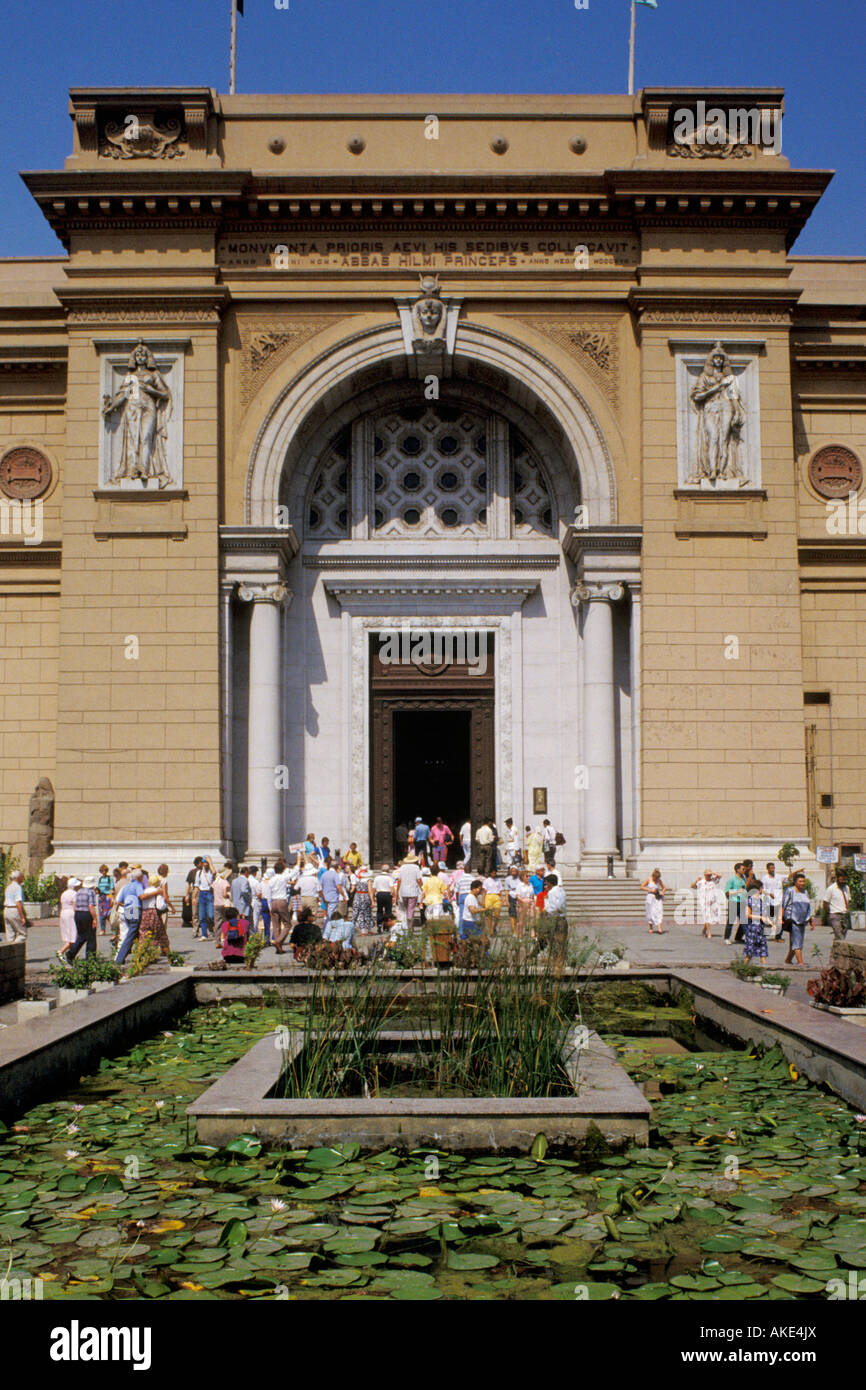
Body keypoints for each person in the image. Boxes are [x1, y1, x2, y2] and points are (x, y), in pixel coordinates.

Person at [782, 871, 816, 967]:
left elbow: (808, 907)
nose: (802, 883)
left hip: (802, 921)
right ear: (795, 882)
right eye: (800, 881)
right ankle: (801, 963)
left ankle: (788, 960)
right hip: (792, 920)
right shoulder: (790, 891)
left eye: (803, 881)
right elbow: (783, 905)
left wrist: (810, 921)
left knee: (796, 942)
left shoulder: (805, 892)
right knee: (797, 943)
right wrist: (781, 918)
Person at [67, 875, 99, 961]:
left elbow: (75, 905)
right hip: (87, 914)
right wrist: (95, 919)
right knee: (91, 937)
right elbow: (91, 906)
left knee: (81, 936)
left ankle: (71, 953)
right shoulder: (91, 892)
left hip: (78, 914)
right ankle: (90, 958)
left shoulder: (79, 891)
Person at [144, 865, 173, 959]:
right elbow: (165, 895)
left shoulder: (153, 881)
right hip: (161, 907)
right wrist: (171, 906)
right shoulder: (164, 881)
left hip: (152, 908)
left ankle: (153, 948)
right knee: (162, 928)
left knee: (152, 929)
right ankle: (164, 949)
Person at [269, 858, 292, 954]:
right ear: (283, 869)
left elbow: (268, 894)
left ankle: (279, 947)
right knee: (287, 924)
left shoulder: (271, 880)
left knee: (276, 925)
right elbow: (293, 873)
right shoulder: (283, 877)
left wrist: (270, 906)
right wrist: (299, 861)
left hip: (273, 901)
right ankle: (278, 941)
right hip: (281, 901)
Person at [743, 880, 769, 965]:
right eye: (761, 888)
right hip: (752, 928)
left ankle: (765, 967)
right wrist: (760, 917)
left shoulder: (761, 901)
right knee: (750, 951)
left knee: (763, 949)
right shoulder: (750, 901)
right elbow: (748, 915)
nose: (762, 890)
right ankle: (744, 966)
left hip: (760, 928)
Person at [692, 870, 724, 940]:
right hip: (704, 902)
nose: (709, 876)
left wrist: (713, 873)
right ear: (704, 875)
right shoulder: (701, 882)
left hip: (713, 902)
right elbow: (692, 886)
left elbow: (720, 876)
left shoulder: (713, 881)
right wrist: (696, 880)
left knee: (714, 916)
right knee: (707, 916)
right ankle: (709, 932)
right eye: (707, 874)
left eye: (710, 875)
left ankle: (704, 929)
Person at [394, 855, 423, 929]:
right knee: (411, 909)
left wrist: (397, 892)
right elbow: (419, 879)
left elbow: (399, 880)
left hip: (403, 891)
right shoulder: (416, 868)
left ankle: (406, 925)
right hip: (413, 891)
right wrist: (422, 888)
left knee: (406, 909)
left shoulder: (402, 867)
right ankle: (409, 926)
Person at [319, 857, 346, 933]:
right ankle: (326, 932)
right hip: (333, 897)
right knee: (331, 916)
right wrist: (343, 895)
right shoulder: (335, 875)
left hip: (325, 897)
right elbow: (339, 887)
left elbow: (320, 886)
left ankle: (327, 931)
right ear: (336, 867)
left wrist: (322, 896)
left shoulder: (324, 874)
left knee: (329, 915)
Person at [723, 862, 748, 945]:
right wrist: (737, 891)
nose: (744, 870)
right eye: (743, 869)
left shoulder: (743, 879)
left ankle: (742, 937)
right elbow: (727, 892)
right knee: (731, 921)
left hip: (742, 902)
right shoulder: (732, 879)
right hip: (734, 902)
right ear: (737, 869)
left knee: (744, 921)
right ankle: (726, 938)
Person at [822, 870, 851, 942]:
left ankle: (835, 949)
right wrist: (831, 913)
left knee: (842, 936)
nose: (843, 882)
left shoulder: (847, 888)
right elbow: (825, 903)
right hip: (835, 915)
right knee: (840, 937)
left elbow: (848, 900)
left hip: (844, 915)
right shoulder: (831, 889)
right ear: (837, 878)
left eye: (845, 880)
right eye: (842, 880)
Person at [762, 861, 786, 940]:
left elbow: (789, 876)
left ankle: (778, 936)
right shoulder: (765, 878)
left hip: (778, 902)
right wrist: (769, 894)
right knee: (768, 920)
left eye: (773, 868)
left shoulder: (779, 877)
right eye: (771, 868)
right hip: (769, 902)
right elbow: (762, 889)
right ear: (767, 869)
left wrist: (797, 871)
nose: (773, 869)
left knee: (780, 919)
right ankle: (764, 935)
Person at [3, 868, 27, 943]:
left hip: (6, 910)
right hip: (14, 910)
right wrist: (22, 917)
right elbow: (18, 903)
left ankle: (9, 948)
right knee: (23, 934)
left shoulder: (8, 887)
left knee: (10, 934)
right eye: (22, 876)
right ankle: (15, 946)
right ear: (18, 877)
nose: (23, 878)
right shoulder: (18, 887)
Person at [57, 876, 77, 961]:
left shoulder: (64, 893)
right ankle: (61, 951)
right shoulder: (74, 894)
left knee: (68, 934)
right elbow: (74, 906)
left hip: (63, 912)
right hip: (70, 914)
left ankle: (70, 954)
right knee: (73, 936)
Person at [195, 857, 215, 941]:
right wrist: (193, 897)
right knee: (202, 915)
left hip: (209, 893)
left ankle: (214, 931)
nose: (206, 864)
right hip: (202, 893)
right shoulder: (199, 872)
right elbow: (196, 885)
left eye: (207, 862)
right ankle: (204, 935)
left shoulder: (211, 871)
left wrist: (210, 861)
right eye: (204, 862)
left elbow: (214, 872)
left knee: (211, 915)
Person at [351, 866, 375, 936]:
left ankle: (363, 930)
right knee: (367, 913)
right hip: (365, 896)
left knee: (360, 913)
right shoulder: (368, 880)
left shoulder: (357, 879)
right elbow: (370, 890)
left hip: (357, 896)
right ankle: (367, 929)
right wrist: (372, 900)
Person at [642, 869, 666, 934]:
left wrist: (662, 892)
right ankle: (651, 927)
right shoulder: (648, 879)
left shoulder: (659, 880)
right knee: (650, 912)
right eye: (655, 878)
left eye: (657, 878)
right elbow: (642, 886)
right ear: (653, 876)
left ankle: (659, 928)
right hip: (650, 897)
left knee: (659, 910)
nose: (656, 880)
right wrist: (650, 890)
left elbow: (664, 888)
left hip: (657, 897)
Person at [184, 856, 203, 933]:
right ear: (198, 863)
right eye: (201, 862)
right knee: (195, 912)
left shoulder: (205, 871)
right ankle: (195, 929)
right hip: (195, 892)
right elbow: (189, 884)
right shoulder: (192, 872)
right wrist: (187, 895)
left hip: (204, 892)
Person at [514, 869, 535, 938]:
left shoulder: (530, 885)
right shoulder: (519, 885)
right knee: (521, 920)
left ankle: (532, 933)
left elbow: (532, 894)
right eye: (527, 876)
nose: (528, 877)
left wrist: (532, 901)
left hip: (530, 903)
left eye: (529, 876)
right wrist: (523, 901)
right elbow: (518, 896)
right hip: (522, 903)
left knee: (532, 918)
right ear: (522, 877)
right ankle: (520, 934)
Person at [373, 864, 394, 930]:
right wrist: (393, 896)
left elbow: (374, 888)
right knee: (388, 910)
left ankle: (379, 924)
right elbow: (392, 888)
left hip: (379, 894)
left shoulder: (377, 877)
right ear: (388, 870)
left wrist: (373, 896)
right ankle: (386, 926)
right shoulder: (389, 878)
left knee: (379, 910)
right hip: (387, 894)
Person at [96, 864, 114, 937]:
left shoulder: (110, 879)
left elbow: (112, 888)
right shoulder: (100, 879)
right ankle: (102, 929)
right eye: (102, 871)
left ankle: (113, 929)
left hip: (107, 897)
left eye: (105, 871)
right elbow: (99, 887)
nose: (104, 872)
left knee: (108, 913)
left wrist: (112, 897)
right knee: (101, 914)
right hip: (101, 897)